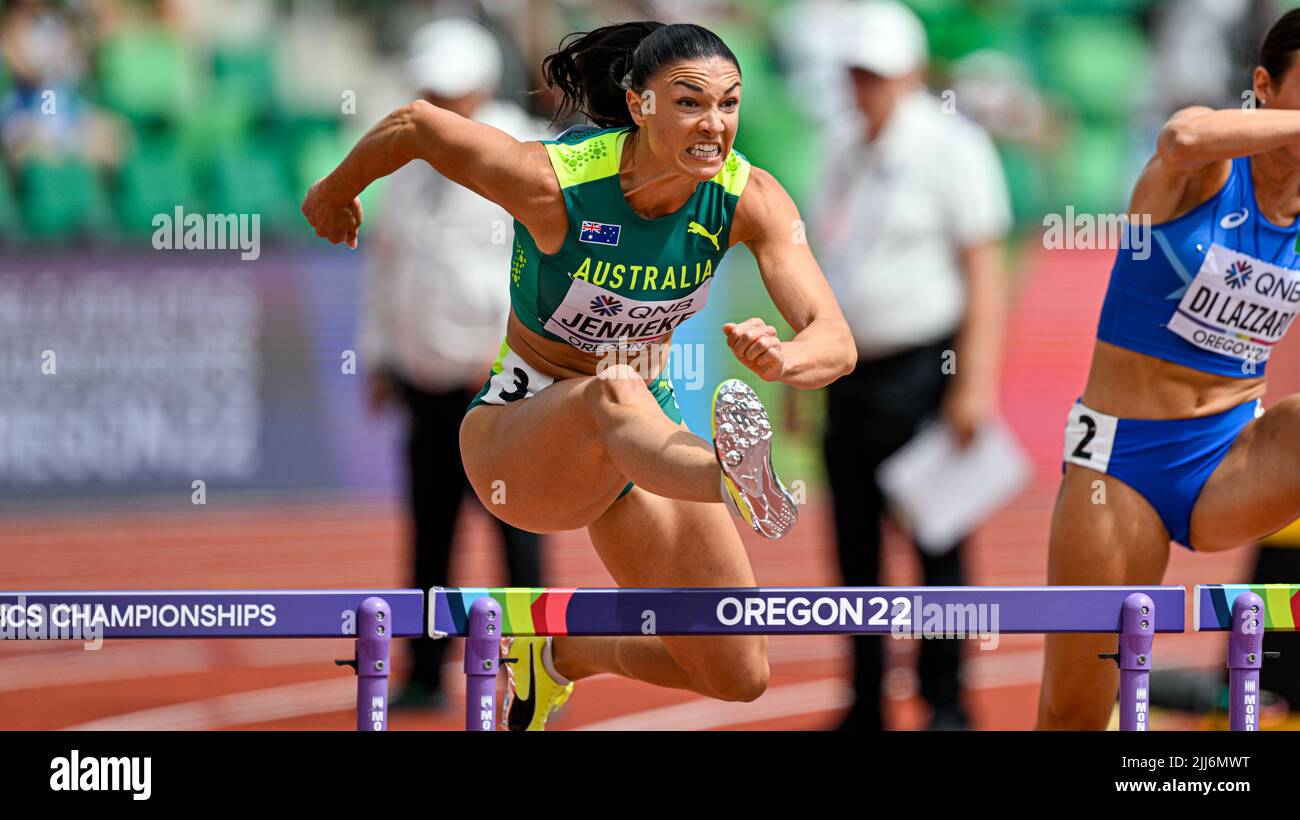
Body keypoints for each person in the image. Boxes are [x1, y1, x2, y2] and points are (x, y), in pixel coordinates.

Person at [303, 21, 856, 730]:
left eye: (730, 103)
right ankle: (735, 480)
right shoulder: (553, 182)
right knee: (611, 388)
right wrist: (333, 192)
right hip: (519, 435)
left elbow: (835, 341)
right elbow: (415, 124)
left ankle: (564, 656)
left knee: (737, 673)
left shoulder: (749, 199)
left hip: (645, 447)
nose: (714, 126)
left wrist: (784, 358)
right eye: (689, 103)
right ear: (640, 107)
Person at [1039, 8, 1300, 730]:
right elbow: (1182, 136)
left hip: (1229, 460)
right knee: (1075, 713)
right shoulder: (1210, 171)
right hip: (1122, 467)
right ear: (1262, 87)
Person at [812, 1, 1011, 731]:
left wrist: (974, 383)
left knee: (937, 544)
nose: (865, 86)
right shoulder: (839, 143)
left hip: (925, 371)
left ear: (913, 73)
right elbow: (820, 263)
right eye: (856, 72)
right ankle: (865, 702)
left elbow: (985, 267)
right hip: (847, 372)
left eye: (878, 74)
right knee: (853, 551)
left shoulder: (951, 144)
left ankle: (949, 704)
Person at [359, 17, 550, 711]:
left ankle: (532, 675)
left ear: (482, 90)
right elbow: (386, 270)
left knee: (518, 530)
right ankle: (421, 668)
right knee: (429, 530)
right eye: (430, 91)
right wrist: (380, 355)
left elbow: (545, 275)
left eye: (452, 93)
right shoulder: (407, 166)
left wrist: (507, 356)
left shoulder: (527, 156)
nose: (439, 105)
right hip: (426, 378)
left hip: (501, 383)